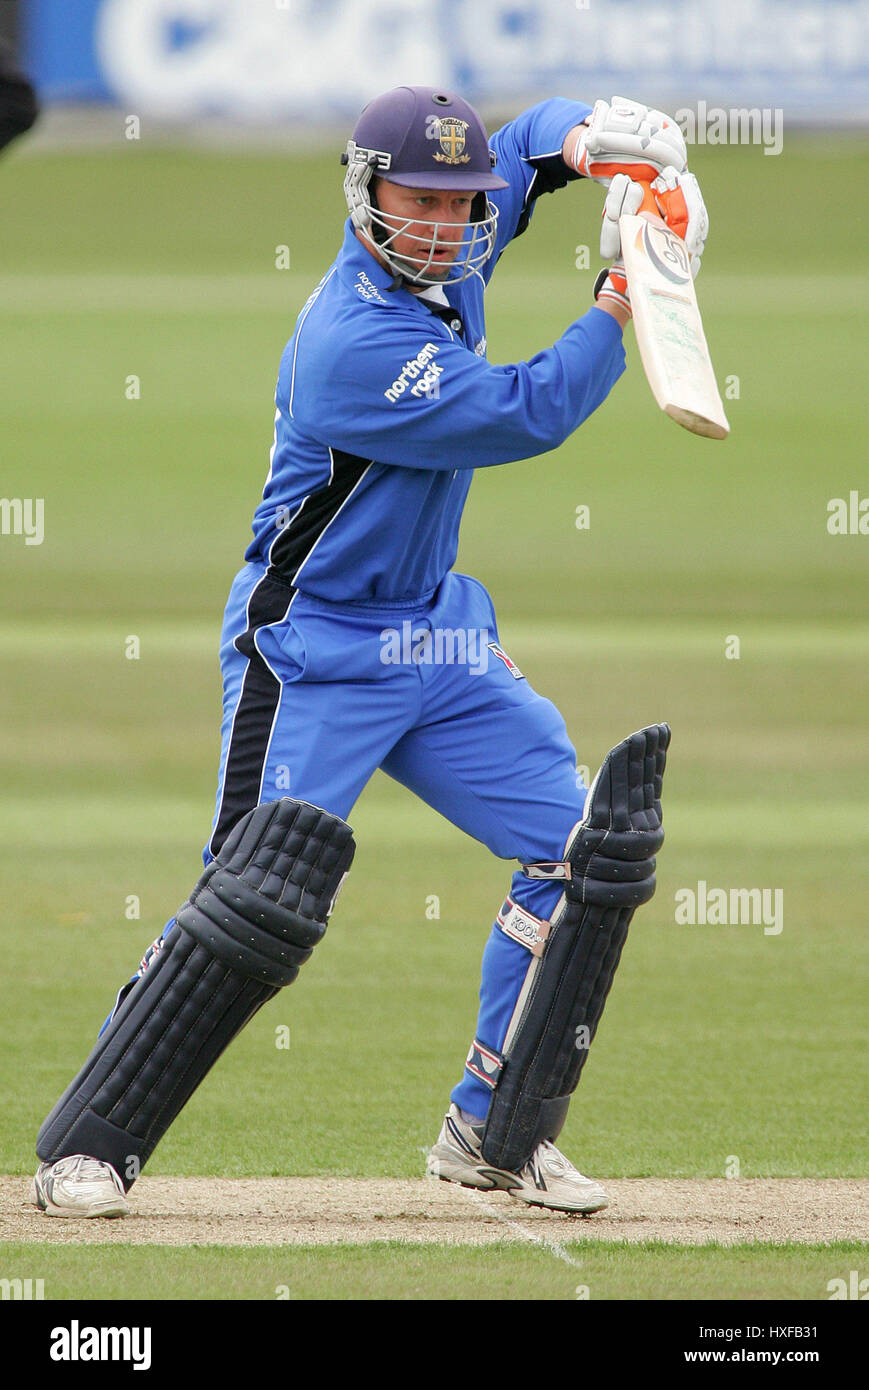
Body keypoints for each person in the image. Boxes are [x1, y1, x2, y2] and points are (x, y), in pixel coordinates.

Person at [32, 88, 702, 1219]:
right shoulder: (354, 339)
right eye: (418, 198)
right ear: (364, 194)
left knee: (580, 851)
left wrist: (593, 145)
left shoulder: (456, 257)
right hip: (312, 645)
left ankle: (493, 1130)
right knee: (246, 900)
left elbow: (527, 145)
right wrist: (620, 298)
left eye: (459, 201)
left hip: (437, 635)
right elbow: (517, 414)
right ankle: (91, 1145)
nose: (443, 222)